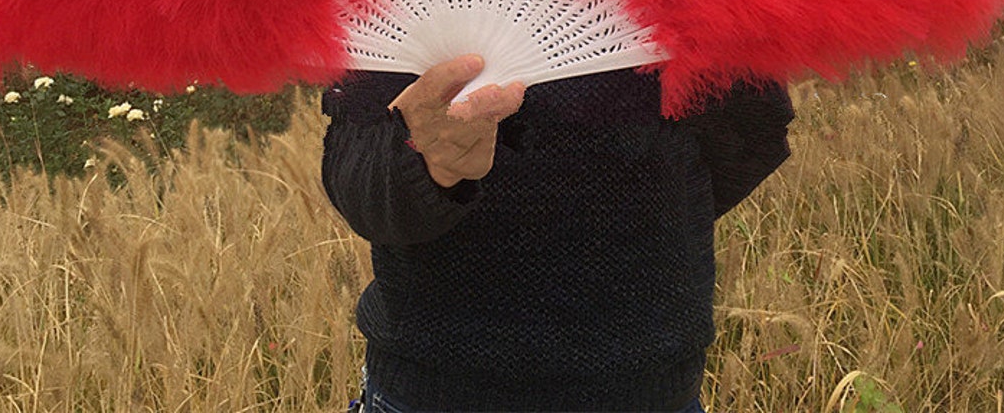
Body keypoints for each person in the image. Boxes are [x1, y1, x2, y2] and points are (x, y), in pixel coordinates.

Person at [322, 52, 794, 412]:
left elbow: (754, 127)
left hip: (649, 388)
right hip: (431, 389)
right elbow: (355, 176)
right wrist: (422, 163)